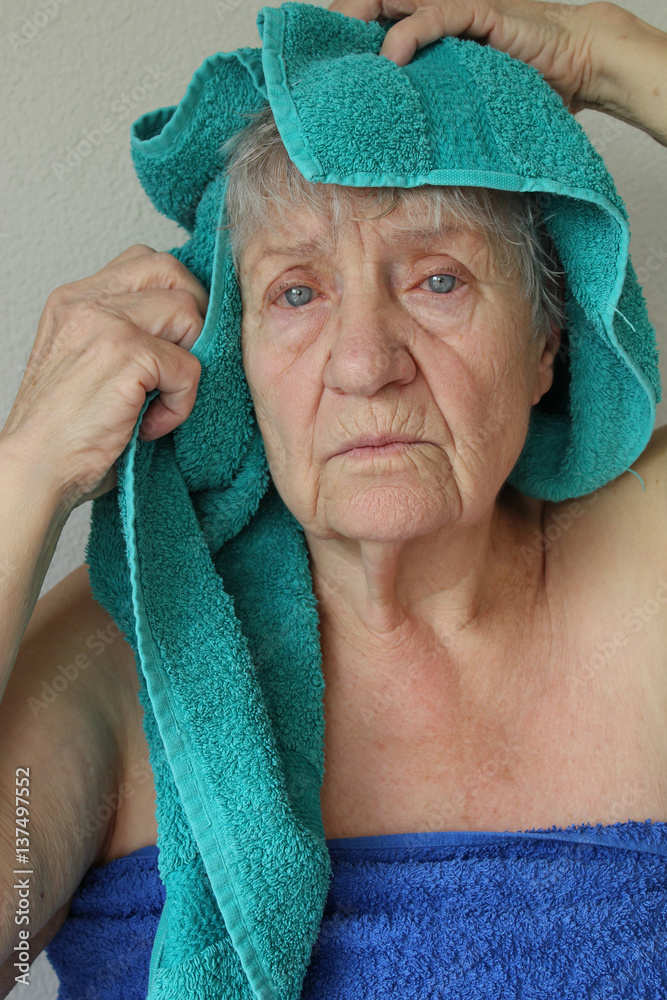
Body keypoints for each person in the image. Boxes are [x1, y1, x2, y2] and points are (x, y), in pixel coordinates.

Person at [0, 0, 666, 995]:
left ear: (546, 343)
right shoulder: (126, 654)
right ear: (236, 363)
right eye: (297, 294)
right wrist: (26, 470)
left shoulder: (648, 556)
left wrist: (611, 58)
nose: (363, 364)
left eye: (437, 280)